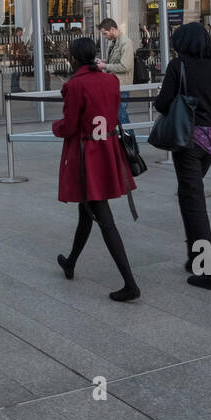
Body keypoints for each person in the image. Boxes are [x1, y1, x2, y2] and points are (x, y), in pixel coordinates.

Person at [53, 37, 140, 302]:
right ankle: (70, 262)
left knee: (102, 216)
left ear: (74, 58)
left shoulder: (75, 85)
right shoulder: (110, 81)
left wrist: (56, 127)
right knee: (87, 210)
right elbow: (111, 115)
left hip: (86, 154)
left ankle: (130, 283)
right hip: (107, 149)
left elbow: (69, 126)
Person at [155, 22, 211, 291]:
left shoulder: (178, 66)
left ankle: (209, 271)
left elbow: (163, 103)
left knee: (193, 201)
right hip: (210, 140)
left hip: (186, 139)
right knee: (188, 195)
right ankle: (195, 258)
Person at [96, 18, 134, 125]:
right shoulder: (114, 43)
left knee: (121, 117)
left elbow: (125, 66)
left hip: (122, 86)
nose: (104, 36)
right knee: (117, 117)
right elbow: (114, 62)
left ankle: (130, 140)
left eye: (105, 33)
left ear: (112, 29)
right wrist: (103, 62)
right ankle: (124, 140)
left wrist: (105, 66)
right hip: (115, 85)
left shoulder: (126, 43)